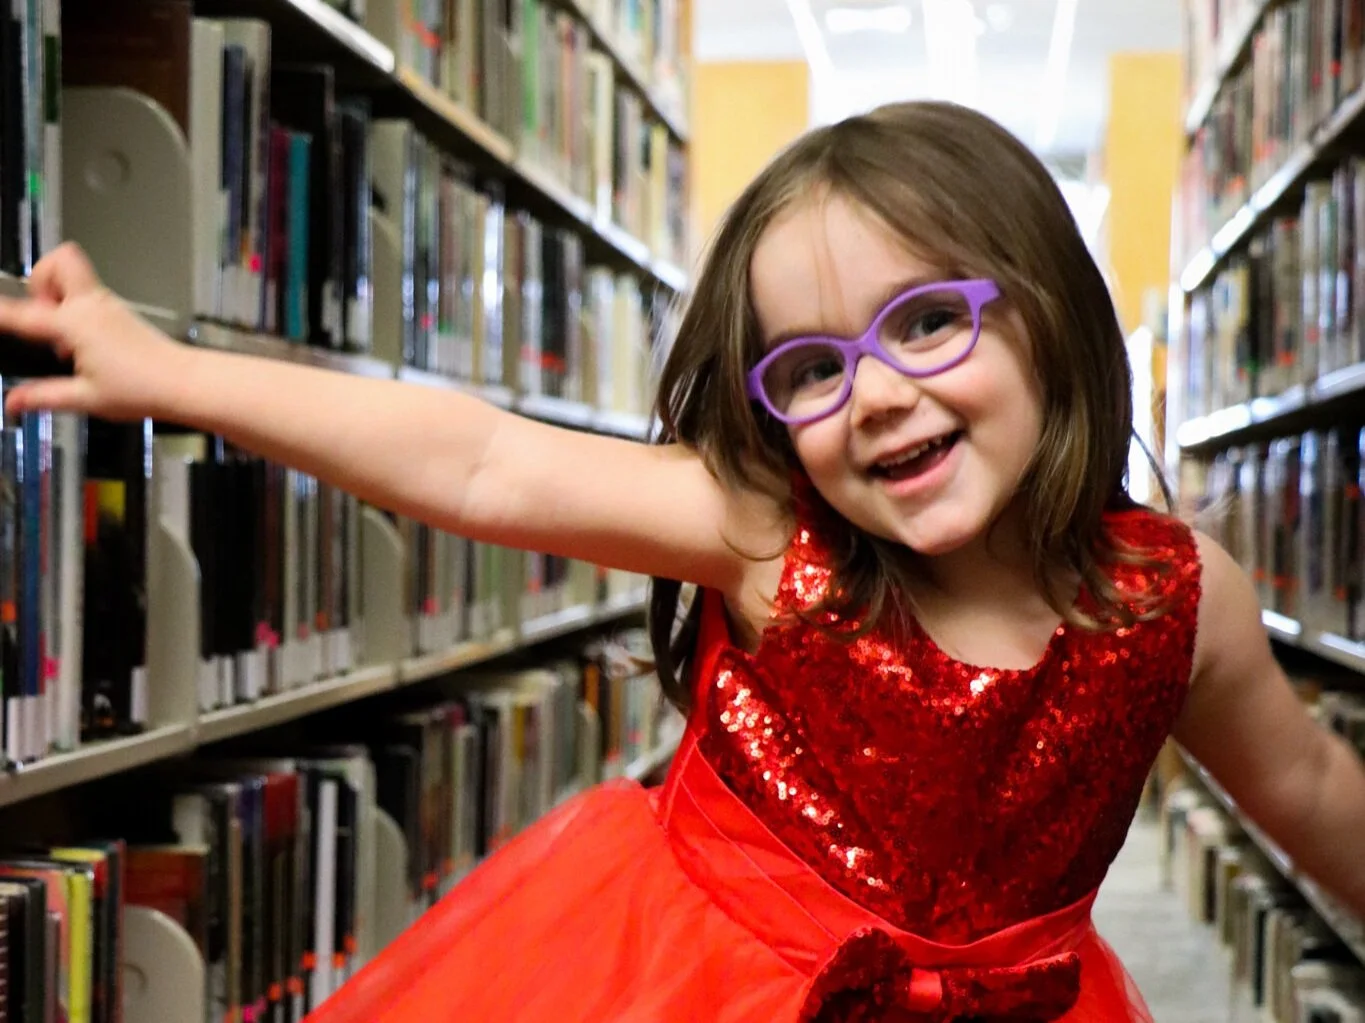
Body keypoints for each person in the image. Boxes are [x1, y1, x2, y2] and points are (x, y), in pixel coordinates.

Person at [1, 100, 1362, 1022]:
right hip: (695, 980)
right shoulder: (778, 542)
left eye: (930, 321)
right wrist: (170, 369)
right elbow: (483, 462)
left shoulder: (1170, 598)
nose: (878, 392)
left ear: (1054, 315)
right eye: (815, 366)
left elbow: (1301, 783)